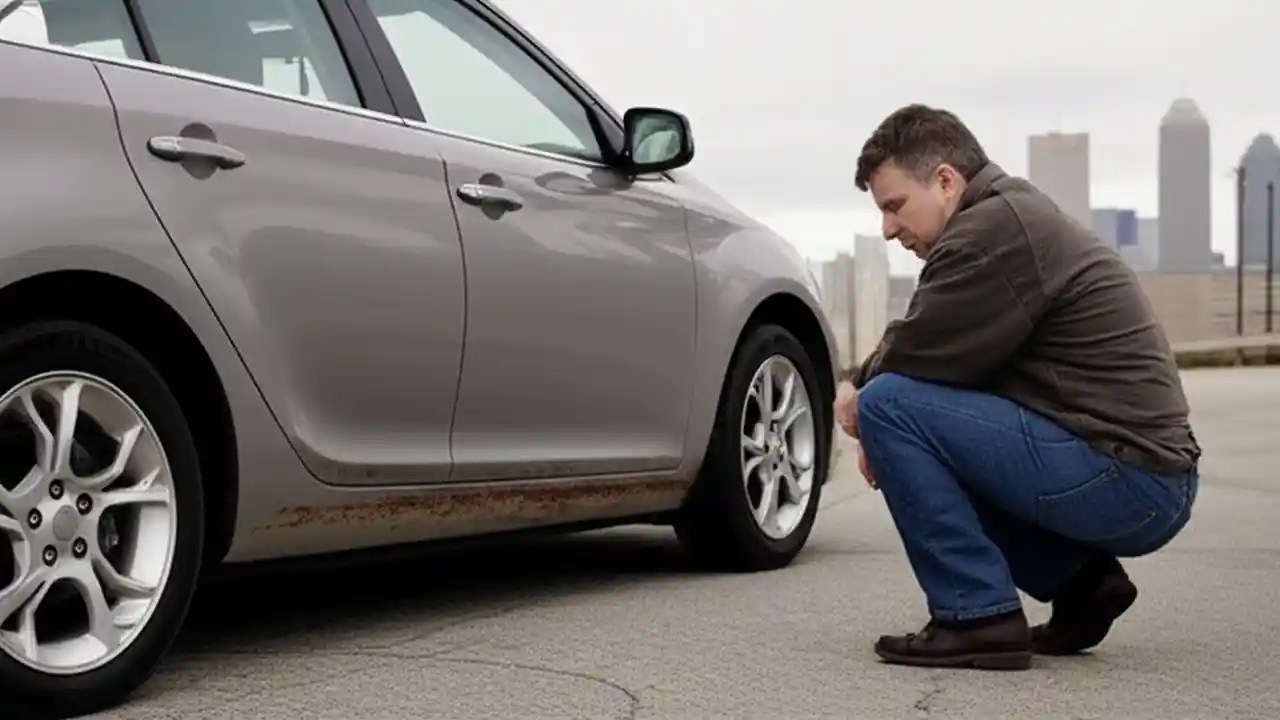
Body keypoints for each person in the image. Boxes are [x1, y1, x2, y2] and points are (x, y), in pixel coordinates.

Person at [834, 104, 1201, 671]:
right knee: (902, 414)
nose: (887, 229)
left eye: (894, 206)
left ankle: (974, 615)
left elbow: (913, 351)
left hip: (1129, 479)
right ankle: (1079, 583)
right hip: (1139, 472)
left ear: (946, 180)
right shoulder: (1006, 216)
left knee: (888, 406)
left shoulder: (989, 232)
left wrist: (859, 401)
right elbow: (937, 364)